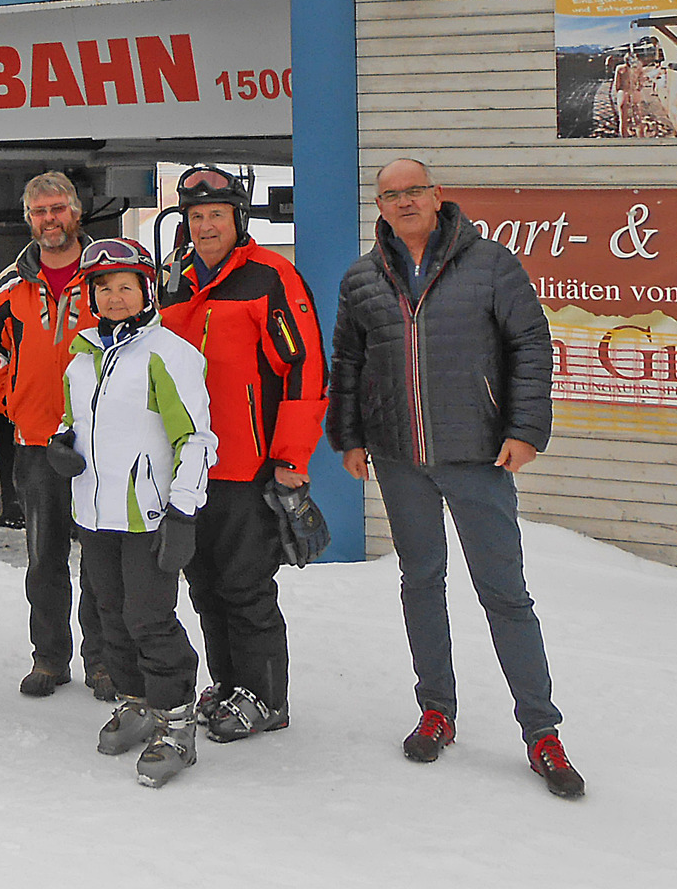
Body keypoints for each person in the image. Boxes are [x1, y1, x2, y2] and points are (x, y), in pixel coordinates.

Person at [329, 158, 585, 800]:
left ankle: (541, 732)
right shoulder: (363, 278)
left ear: (438, 196)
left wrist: (525, 430)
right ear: (379, 206)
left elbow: (531, 343)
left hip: (478, 455)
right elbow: (349, 361)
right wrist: (351, 435)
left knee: (504, 593)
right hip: (399, 459)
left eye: (415, 190)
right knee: (421, 583)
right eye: (391, 195)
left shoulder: (491, 264)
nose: (405, 202)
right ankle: (436, 709)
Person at [158, 166, 327, 743]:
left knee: (245, 586)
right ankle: (230, 684)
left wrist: (290, 456)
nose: (204, 225)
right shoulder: (175, 281)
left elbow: (303, 368)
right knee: (203, 584)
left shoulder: (270, 278)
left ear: (238, 218)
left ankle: (267, 698)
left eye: (216, 215)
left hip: (247, 464)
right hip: (190, 468)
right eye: (195, 216)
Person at [64, 239, 216, 788]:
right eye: (104, 288)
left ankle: (176, 718)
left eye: (127, 286)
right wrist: (65, 443)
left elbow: (196, 439)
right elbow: (78, 421)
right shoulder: (83, 356)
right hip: (97, 510)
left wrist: (183, 511)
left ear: (147, 289)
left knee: (149, 617)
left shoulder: (168, 353)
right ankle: (136, 701)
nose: (115, 296)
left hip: (151, 513)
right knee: (109, 612)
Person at [0, 171, 106, 697]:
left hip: (102, 442)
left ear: (76, 212)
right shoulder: (8, 288)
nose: (49, 219)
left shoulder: (111, 275)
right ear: (28, 219)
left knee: (103, 562)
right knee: (44, 560)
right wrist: (9, 402)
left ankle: (104, 662)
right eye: (39, 211)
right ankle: (49, 658)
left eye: (58, 208)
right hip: (35, 441)